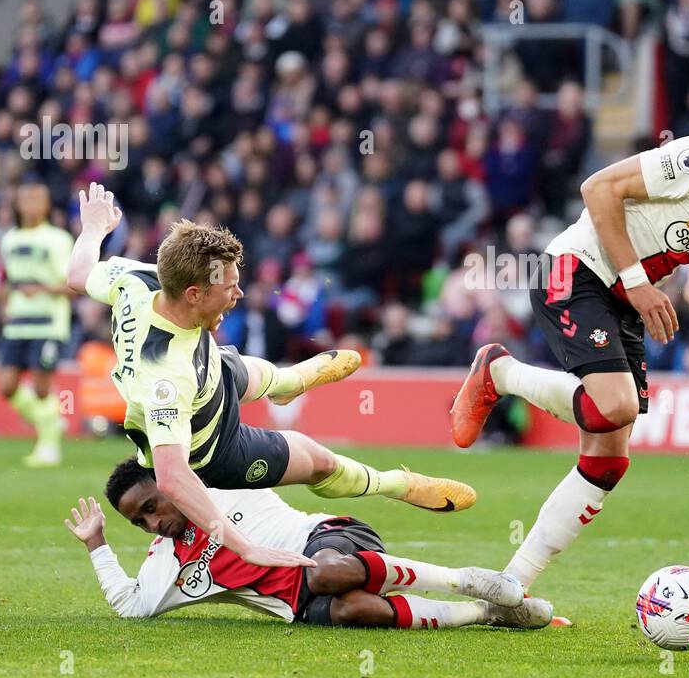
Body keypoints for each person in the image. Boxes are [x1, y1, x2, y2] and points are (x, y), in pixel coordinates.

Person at [449, 95, 689, 590]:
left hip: (624, 296)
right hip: (577, 269)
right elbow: (599, 188)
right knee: (616, 406)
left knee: (609, 457)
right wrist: (637, 282)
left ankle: (512, 584)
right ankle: (500, 372)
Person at [65, 183, 476, 572]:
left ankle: (291, 383)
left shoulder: (140, 279)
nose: (238, 295)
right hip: (212, 444)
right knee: (319, 463)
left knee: (253, 372)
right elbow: (172, 478)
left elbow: (77, 276)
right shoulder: (166, 376)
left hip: (213, 369)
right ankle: (396, 484)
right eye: (229, 287)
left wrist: (94, 230)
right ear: (193, 294)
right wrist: (244, 546)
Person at [63, 459, 551, 629]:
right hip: (298, 603)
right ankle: (487, 614)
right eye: (139, 523)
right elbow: (131, 606)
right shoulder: (168, 564)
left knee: (328, 573)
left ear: (170, 482)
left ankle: (467, 581)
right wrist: (97, 545)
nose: (153, 524)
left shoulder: (219, 483)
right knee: (353, 611)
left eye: (151, 506)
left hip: (328, 541)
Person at [0, 182, 75, 467]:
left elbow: (73, 283)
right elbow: (9, 281)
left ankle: (49, 446)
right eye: (24, 197)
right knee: (6, 385)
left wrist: (42, 290)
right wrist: (4, 301)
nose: (29, 203)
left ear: (46, 204)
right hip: (17, 322)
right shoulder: (9, 240)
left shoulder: (59, 239)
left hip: (49, 322)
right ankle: (52, 421)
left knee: (42, 387)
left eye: (36, 198)